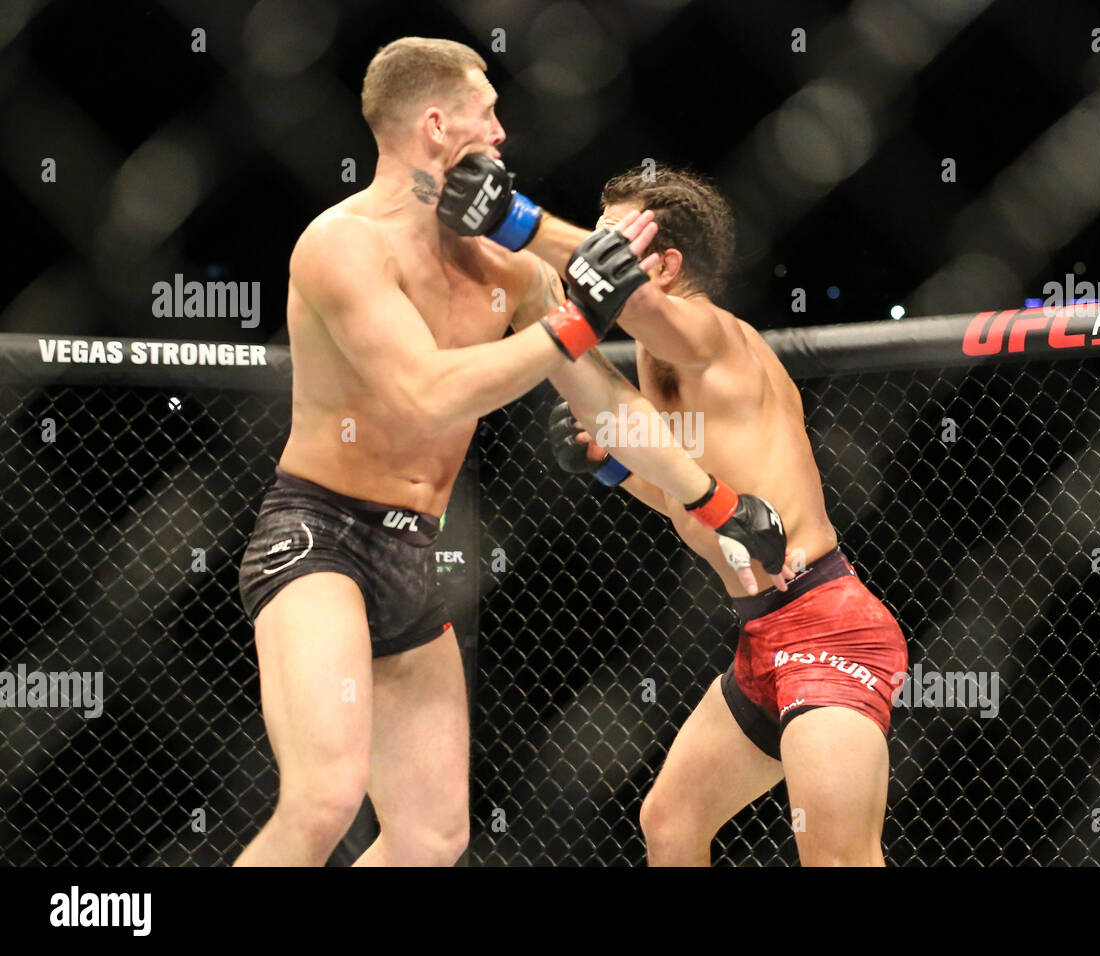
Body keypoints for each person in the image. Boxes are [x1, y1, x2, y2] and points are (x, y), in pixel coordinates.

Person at [233, 38, 788, 866]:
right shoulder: (342, 244)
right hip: (319, 538)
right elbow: (424, 392)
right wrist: (573, 323)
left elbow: (605, 398)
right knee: (322, 800)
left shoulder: (509, 270)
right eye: (486, 113)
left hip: (412, 549)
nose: (500, 135)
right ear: (434, 125)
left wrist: (713, 499)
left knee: (431, 839)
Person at [517, 166, 909, 865]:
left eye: (613, 240)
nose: (591, 253)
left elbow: (634, 303)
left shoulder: (705, 332)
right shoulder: (661, 367)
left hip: (830, 632)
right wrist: (611, 466)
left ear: (664, 266)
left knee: (839, 857)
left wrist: (518, 222)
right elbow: (690, 501)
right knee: (669, 821)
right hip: (761, 636)